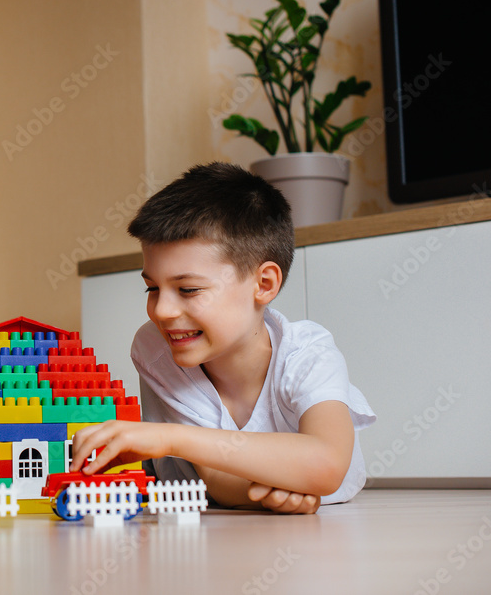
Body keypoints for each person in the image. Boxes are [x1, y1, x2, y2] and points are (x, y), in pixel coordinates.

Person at [71, 162, 375, 514]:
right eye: (151, 288)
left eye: (188, 289)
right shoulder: (155, 348)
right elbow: (215, 478)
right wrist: (268, 492)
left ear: (263, 285)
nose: (162, 311)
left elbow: (326, 465)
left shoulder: (308, 353)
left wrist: (167, 439)